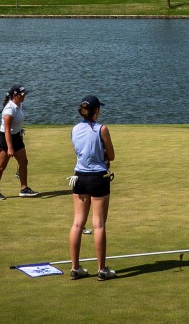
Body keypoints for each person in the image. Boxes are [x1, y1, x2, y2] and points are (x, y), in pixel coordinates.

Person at [68, 94, 116, 280]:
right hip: (98, 179)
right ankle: (102, 270)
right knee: (99, 224)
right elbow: (111, 155)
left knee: (78, 223)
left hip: (79, 177)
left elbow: (80, 151)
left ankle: (75, 268)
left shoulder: (74, 129)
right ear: (96, 111)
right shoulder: (102, 129)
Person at [0, 85, 38, 200]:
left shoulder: (19, 104)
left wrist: (19, 130)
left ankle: (24, 189)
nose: (24, 96)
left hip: (16, 137)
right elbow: (7, 131)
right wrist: (10, 148)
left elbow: (15, 124)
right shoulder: (9, 110)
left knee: (23, 161)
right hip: (5, 139)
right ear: (14, 96)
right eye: (22, 95)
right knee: (1, 166)